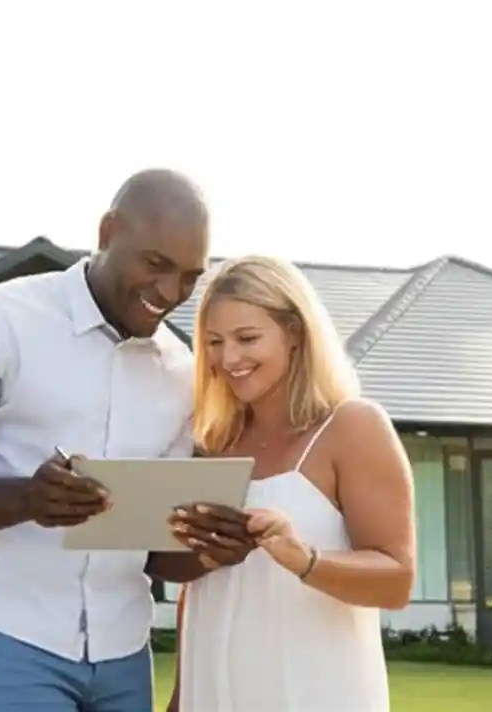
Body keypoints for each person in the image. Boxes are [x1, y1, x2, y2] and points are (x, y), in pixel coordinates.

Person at [0, 169, 255, 712]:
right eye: (155, 264)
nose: (170, 293)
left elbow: (160, 554)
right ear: (108, 233)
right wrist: (27, 499)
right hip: (5, 634)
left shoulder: (182, 374)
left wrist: (211, 548)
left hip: (123, 650)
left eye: (188, 276)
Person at [168, 256, 417, 711]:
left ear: (295, 332)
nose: (230, 359)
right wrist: (179, 700)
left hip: (314, 688)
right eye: (215, 343)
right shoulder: (212, 442)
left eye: (247, 339)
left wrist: (304, 559)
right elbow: (199, 586)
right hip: (214, 692)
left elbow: (396, 581)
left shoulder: (352, 426)